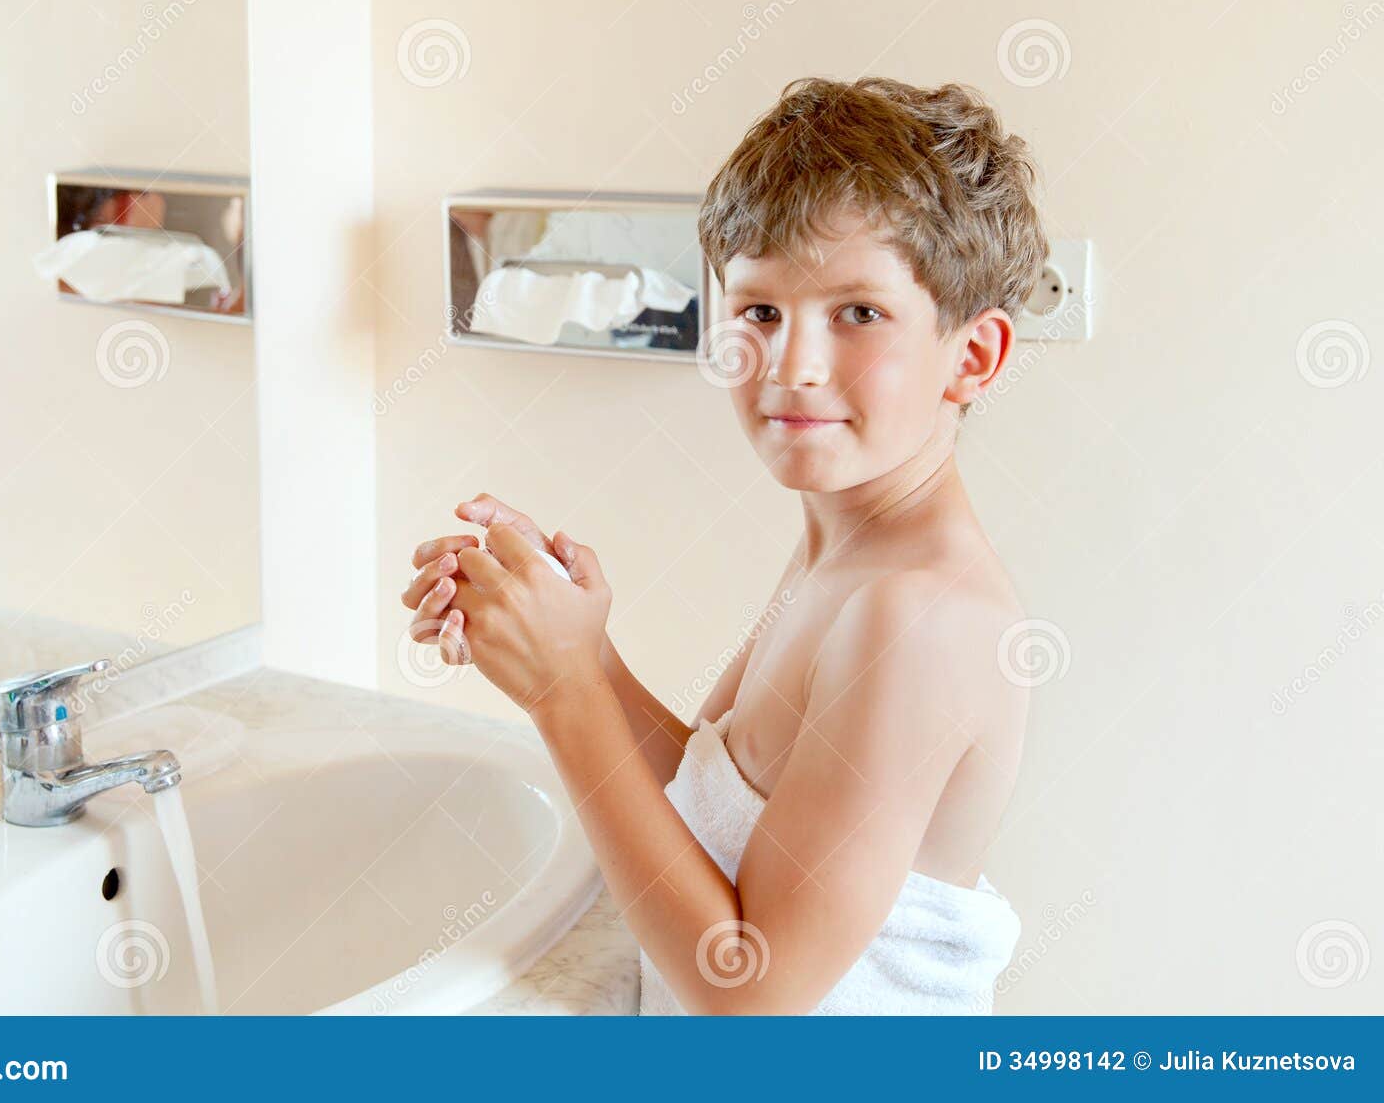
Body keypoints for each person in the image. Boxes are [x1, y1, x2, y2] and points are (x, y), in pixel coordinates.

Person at [401, 76, 1048, 1014]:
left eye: (859, 313)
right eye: (761, 311)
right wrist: (581, 649)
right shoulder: (842, 551)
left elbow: (753, 996)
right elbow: (708, 806)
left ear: (973, 357)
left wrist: (563, 692)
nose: (793, 365)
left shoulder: (917, 615)